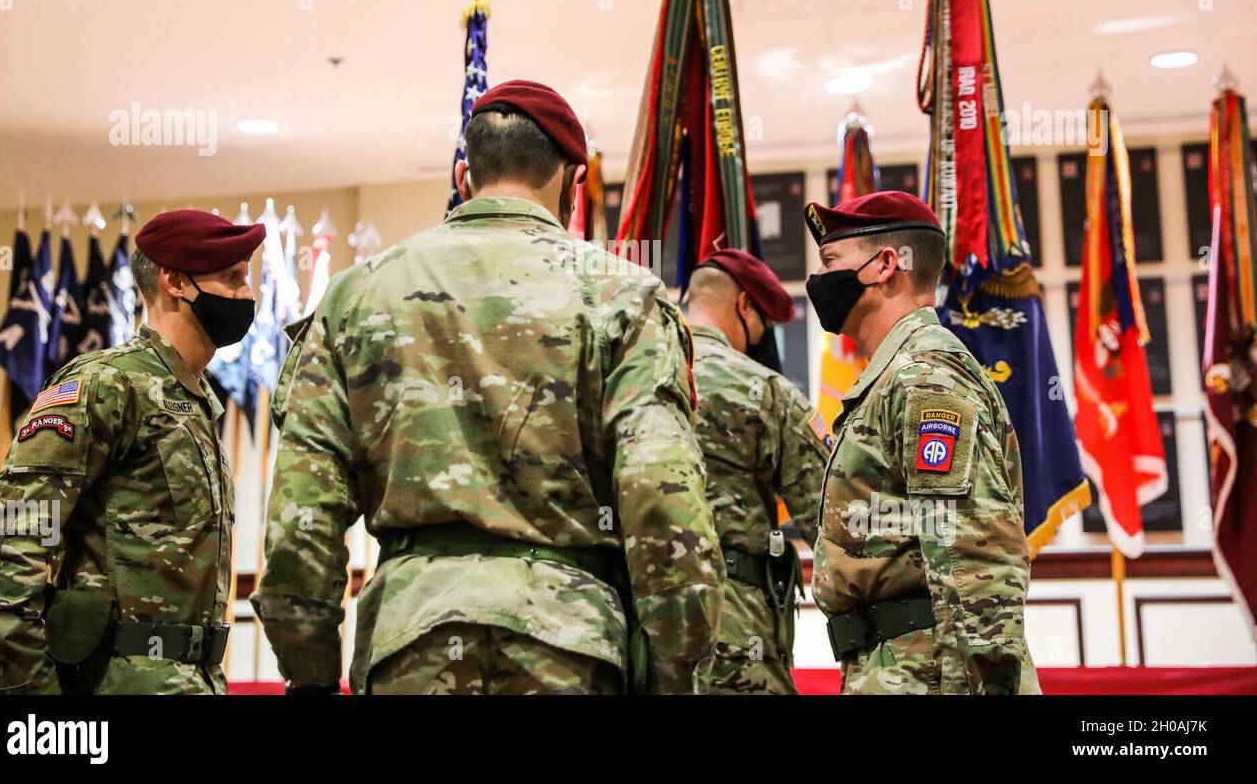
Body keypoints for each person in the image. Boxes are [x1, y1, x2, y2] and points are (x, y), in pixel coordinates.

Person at [253, 79, 723, 695]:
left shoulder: (357, 294)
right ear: (574, 182)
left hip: (409, 646)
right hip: (571, 648)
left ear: (463, 174)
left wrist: (309, 674)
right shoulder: (624, 297)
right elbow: (662, 500)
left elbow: (301, 513)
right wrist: (673, 672)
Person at [0, 209, 263, 694]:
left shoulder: (195, 399)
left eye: (246, 279)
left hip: (196, 679)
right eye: (231, 279)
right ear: (176, 282)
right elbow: (0, 542)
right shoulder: (106, 383)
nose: (247, 296)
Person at [803, 191, 1039, 694]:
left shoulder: (924, 378)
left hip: (928, 675)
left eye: (830, 261)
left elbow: (976, 562)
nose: (819, 279)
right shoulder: (896, 375)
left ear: (885, 265)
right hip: (896, 668)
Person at [684, 249, 828, 694]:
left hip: (633, 621)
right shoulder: (767, 392)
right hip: (733, 626)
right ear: (745, 306)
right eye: (764, 326)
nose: (761, 341)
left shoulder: (623, 375)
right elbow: (830, 514)